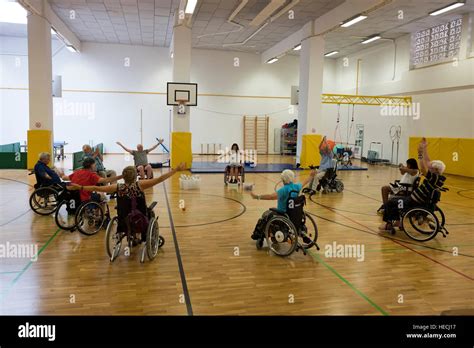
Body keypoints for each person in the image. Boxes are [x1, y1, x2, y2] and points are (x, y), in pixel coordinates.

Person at [68, 162, 186, 243]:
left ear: (123, 177)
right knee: (151, 213)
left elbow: (96, 188)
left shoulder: (117, 187)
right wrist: (175, 170)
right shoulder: (140, 185)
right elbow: (160, 179)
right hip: (140, 216)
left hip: (123, 217)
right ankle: (146, 236)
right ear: (135, 176)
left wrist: (80, 187)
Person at [379, 138, 446, 232]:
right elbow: (428, 162)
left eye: (431, 167)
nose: (429, 166)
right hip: (414, 199)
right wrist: (424, 149)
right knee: (395, 201)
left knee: (391, 202)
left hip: (413, 201)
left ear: (435, 170)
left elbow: (423, 167)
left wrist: (420, 153)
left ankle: (388, 224)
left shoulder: (433, 177)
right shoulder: (437, 178)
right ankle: (398, 221)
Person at [249, 169, 315, 241]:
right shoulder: (297, 187)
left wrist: (257, 197)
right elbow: (305, 182)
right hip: (295, 214)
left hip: (283, 214)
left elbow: (271, 197)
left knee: (266, 216)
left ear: (283, 180)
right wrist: (311, 176)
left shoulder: (283, 190)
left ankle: (258, 235)